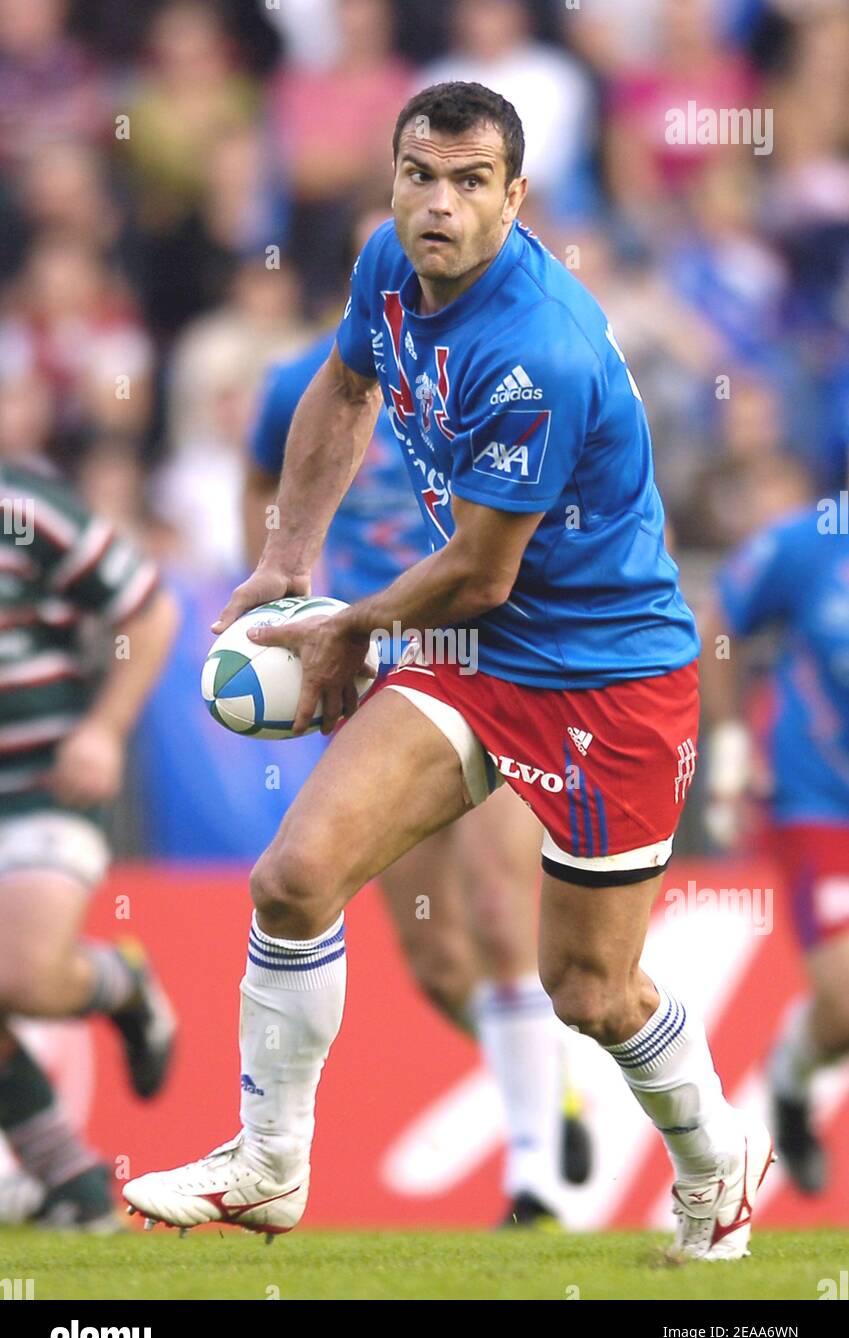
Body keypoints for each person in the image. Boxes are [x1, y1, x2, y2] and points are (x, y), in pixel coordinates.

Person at [124, 81, 771, 1260]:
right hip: (477, 655)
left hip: (606, 673)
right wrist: (287, 556)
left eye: (472, 183)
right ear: (393, 179)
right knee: (294, 877)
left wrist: (351, 627)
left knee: (589, 989)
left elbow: (478, 569)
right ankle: (268, 1167)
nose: (440, 203)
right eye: (421, 174)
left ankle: (717, 1163)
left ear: (515, 199)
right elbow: (340, 386)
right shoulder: (385, 266)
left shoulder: (536, 353)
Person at [244, 316, 592, 1226]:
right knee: (437, 962)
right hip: (362, 676)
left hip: (478, 664)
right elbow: (263, 488)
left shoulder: (495, 375)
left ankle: (538, 1181)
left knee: (492, 906)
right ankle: (543, 1087)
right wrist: (285, 583)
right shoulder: (303, 384)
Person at [0, 456, 178, 1228]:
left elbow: (149, 608)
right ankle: (69, 1183)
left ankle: (122, 985)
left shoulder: (23, 507)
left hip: (45, 780)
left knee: (21, 973)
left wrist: (105, 731)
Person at [702, 498, 849, 1194]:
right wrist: (730, 746)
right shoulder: (810, 541)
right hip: (817, 797)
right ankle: (788, 1089)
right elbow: (720, 622)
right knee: (844, 1001)